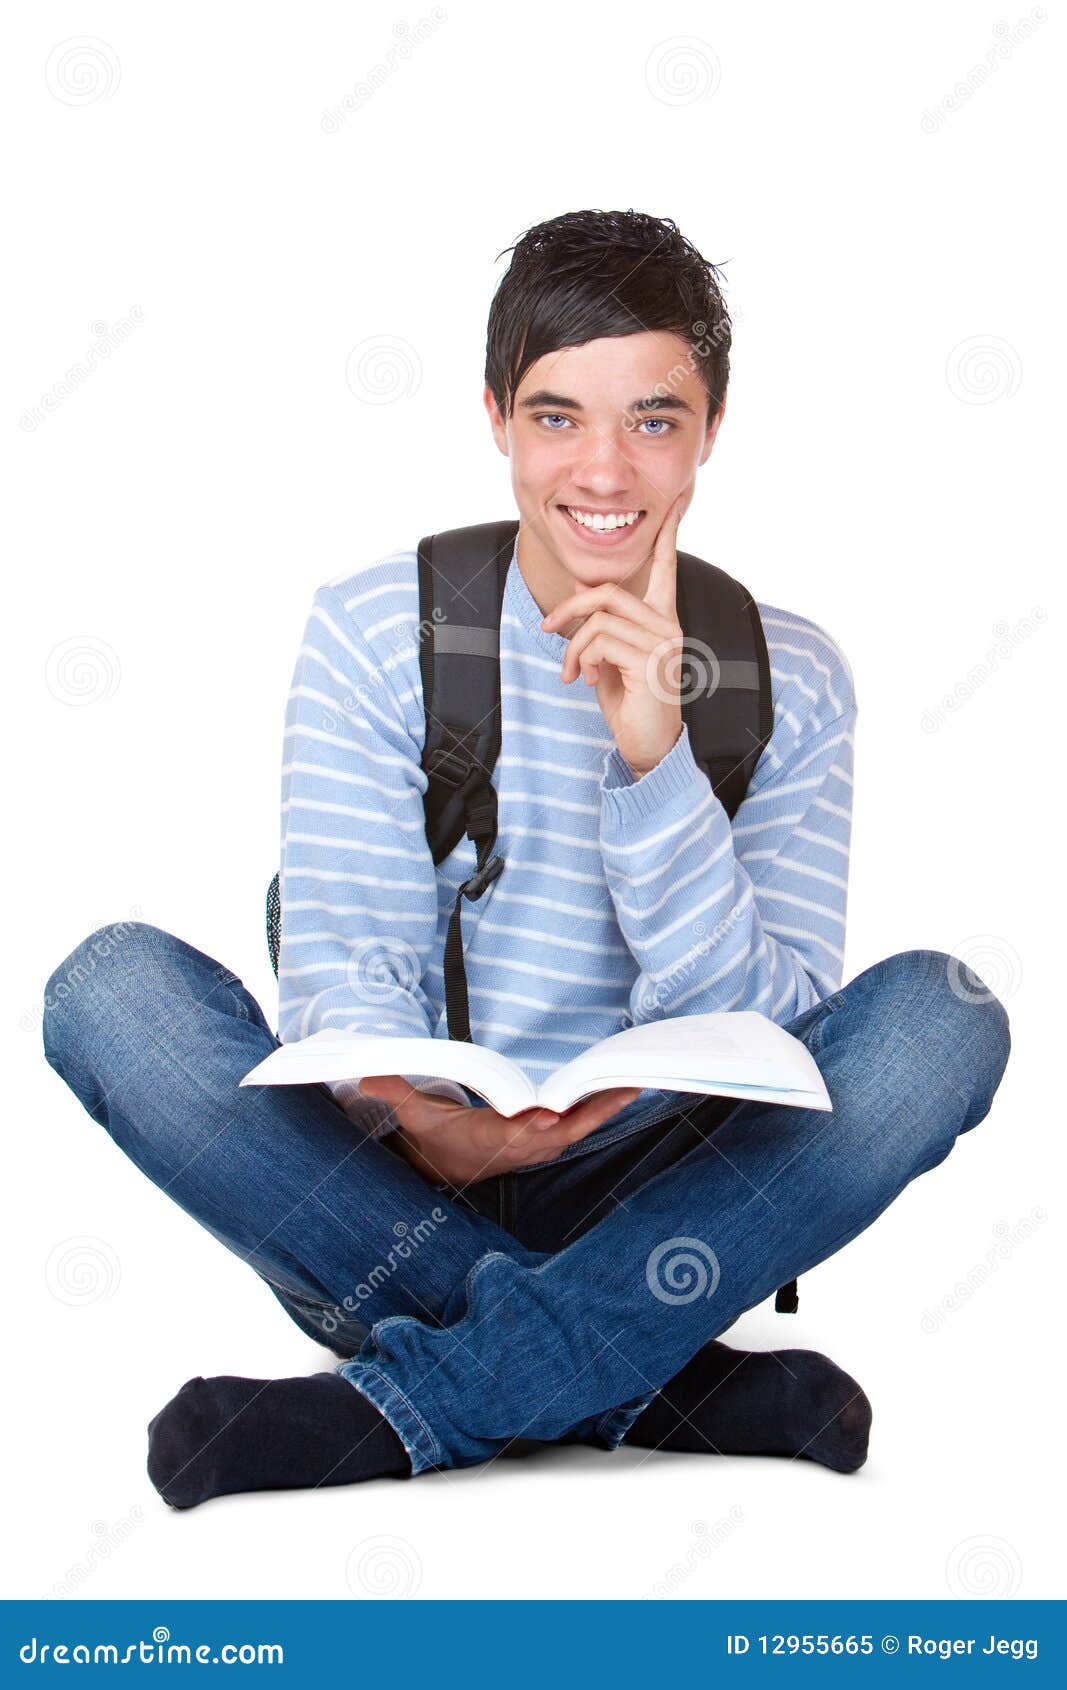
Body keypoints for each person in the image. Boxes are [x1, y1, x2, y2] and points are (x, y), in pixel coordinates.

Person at [41, 210, 1010, 1509]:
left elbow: (784, 1042)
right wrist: (426, 1126)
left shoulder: (791, 672)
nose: (604, 470)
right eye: (559, 416)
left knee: (940, 1021)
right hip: (393, 1204)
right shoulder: (379, 628)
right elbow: (347, 965)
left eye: (653, 420)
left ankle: (425, 1400)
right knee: (110, 990)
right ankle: (645, 1375)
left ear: (711, 426)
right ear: (498, 415)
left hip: (664, 1193)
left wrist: (657, 763)